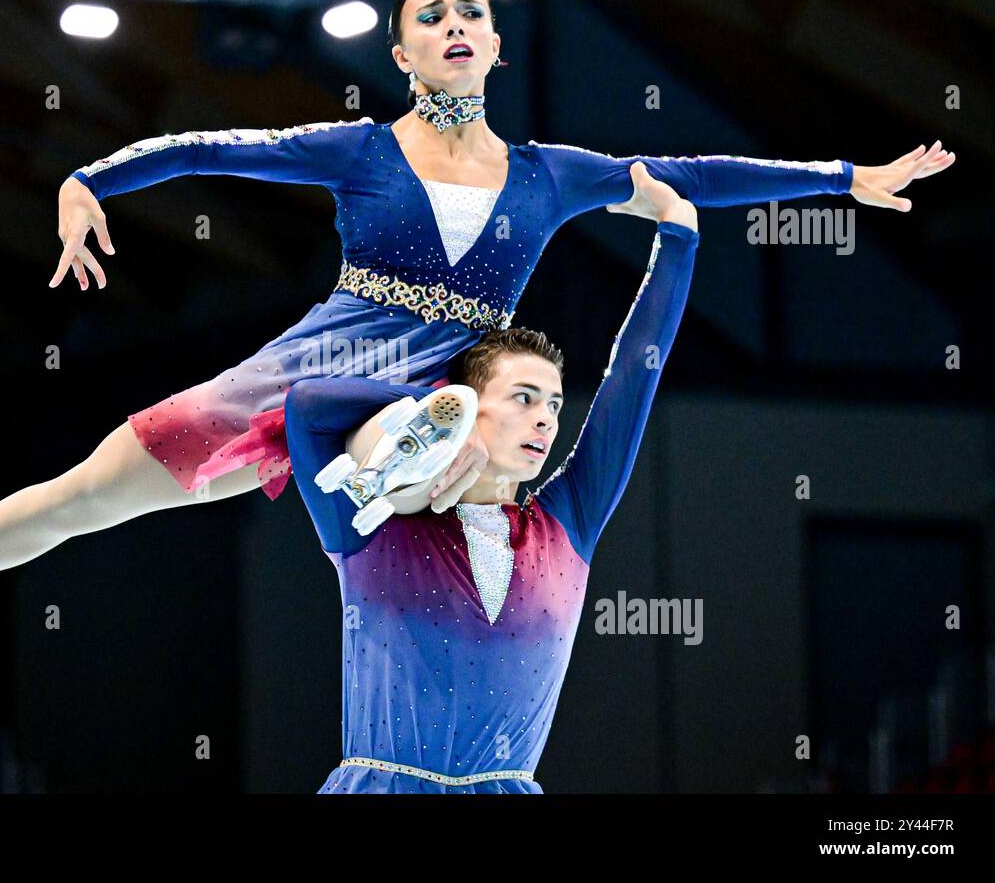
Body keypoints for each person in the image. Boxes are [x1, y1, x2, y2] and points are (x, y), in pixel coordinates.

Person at [0, 0, 952, 657]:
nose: (459, 23)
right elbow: (208, 146)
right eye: (433, 15)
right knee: (78, 501)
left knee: (453, 411)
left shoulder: (555, 173)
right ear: (408, 58)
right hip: (319, 354)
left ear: (495, 49)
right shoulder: (356, 148)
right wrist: (86, 179)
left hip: (447, 388)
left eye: (473, 11)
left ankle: (389, 470)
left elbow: (690, 178)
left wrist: (847, 178)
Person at [284, 161, 698, 791]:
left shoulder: (570, 522)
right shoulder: (373, 524)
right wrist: (434, 412)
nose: (546, 420)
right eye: (524, 398)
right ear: (469, 400)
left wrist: (679, 237)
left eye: (555, 404)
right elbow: (307, 408)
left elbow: (633, 377)